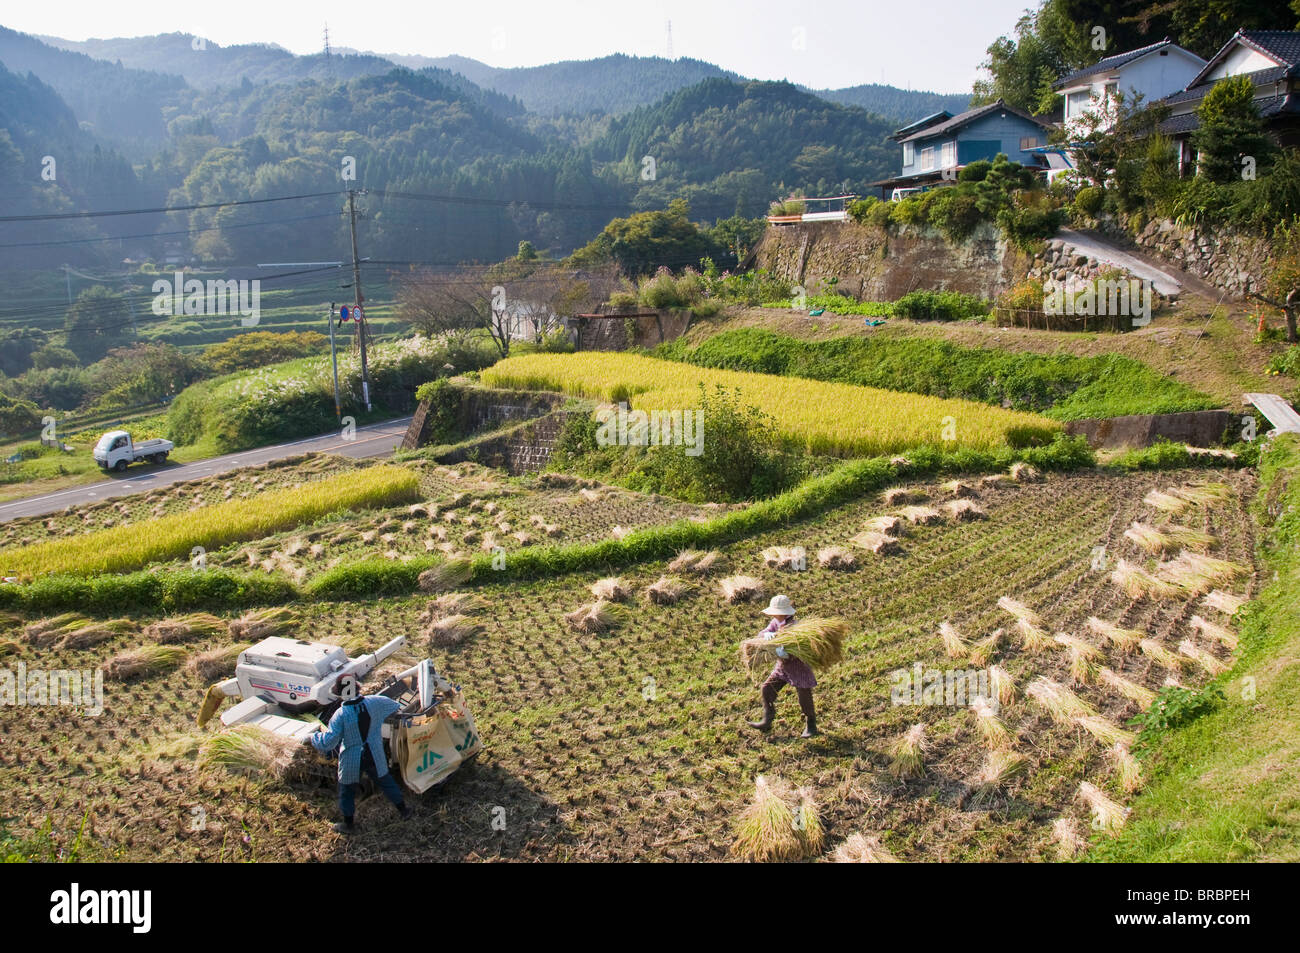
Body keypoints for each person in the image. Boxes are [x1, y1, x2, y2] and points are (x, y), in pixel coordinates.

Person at [308, 675, 412, 834]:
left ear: (341, 694)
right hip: (374, 753)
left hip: (351, 757)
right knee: (386, 781)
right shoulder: (375, 702)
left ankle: (348, 825)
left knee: (347, 790)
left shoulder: (341, 715)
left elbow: (329, 742)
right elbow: (394, 706)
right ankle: (404, 811)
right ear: (357, 688)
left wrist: (313, 738)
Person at [746, 594, 818, 738]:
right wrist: (766, 635)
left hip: (798, 668)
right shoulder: (775, 622)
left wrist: (786, 653)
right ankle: (767, 719)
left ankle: (811, 725)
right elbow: (764, 633)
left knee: (804, 698)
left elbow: (800, 648)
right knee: (767, 689)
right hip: (783, 667)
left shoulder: (795, 627)